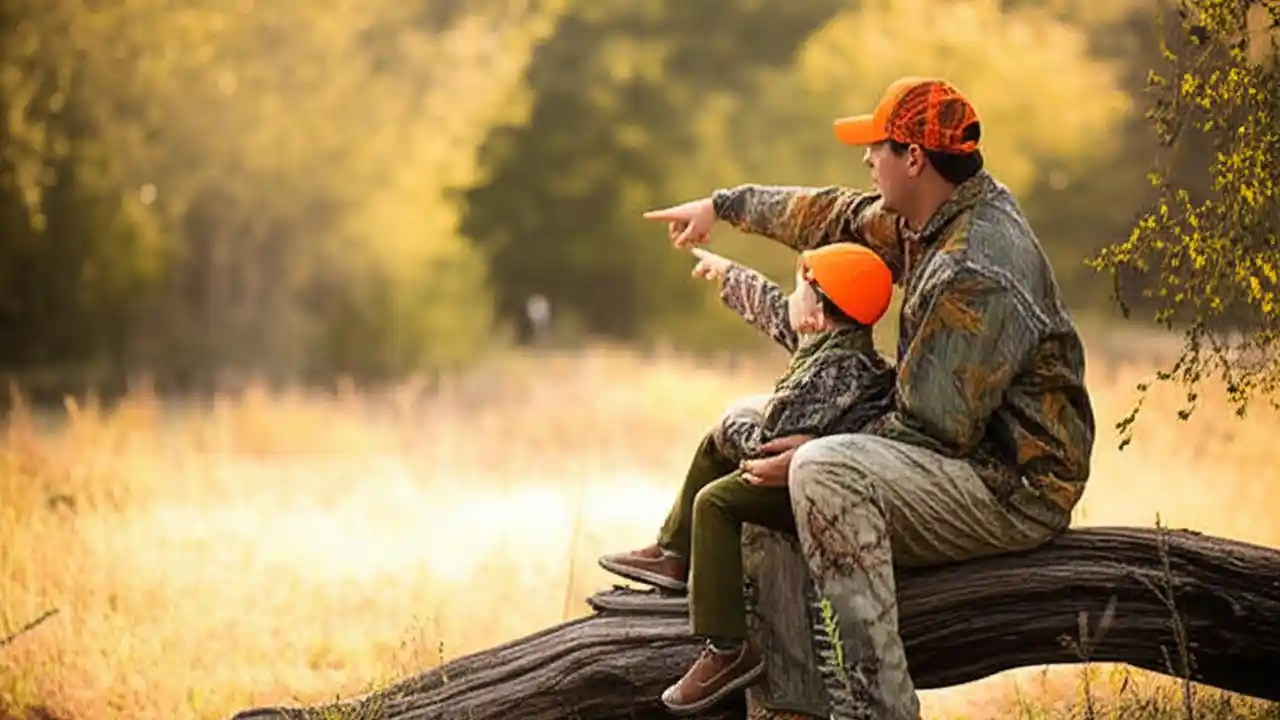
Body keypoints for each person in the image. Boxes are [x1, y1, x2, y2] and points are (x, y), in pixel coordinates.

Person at [641, 77, 1096, 720]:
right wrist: (723, 207)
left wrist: (812, 452)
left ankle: (875, 708)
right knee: (768, 428)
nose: (865, 160)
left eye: (877, 147)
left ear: (914, 158)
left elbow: (933, 429)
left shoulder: (978, 267)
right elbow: (832, 214)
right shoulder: (932, 216)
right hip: (947, 450)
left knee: (822, 469)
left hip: (1011, 486)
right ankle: (788, 704)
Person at [599, 243, 897, 716]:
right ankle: (673, 555)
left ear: (817, 313)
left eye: (799, 290)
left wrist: (729, 423)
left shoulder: (823, 374)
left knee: (716, 502)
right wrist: (728, 273)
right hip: (812, 479)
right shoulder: (840, 351)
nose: (790, 298)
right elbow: (777, 314)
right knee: (715, 444)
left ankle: (727, 647)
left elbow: (765, 448)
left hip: (811, 492)